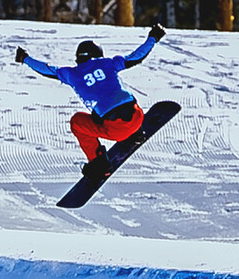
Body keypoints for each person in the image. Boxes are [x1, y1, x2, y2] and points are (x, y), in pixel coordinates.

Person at [17, 24, 166, 175]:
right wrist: (153, 38)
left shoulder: (72, 74)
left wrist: (25, 58)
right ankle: (135, 133)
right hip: (137, 117)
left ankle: (98, 164)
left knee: (77, 122)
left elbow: (46, 69)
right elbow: (137, 57)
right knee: (120, 97)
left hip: (115, 131)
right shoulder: (107, 63)